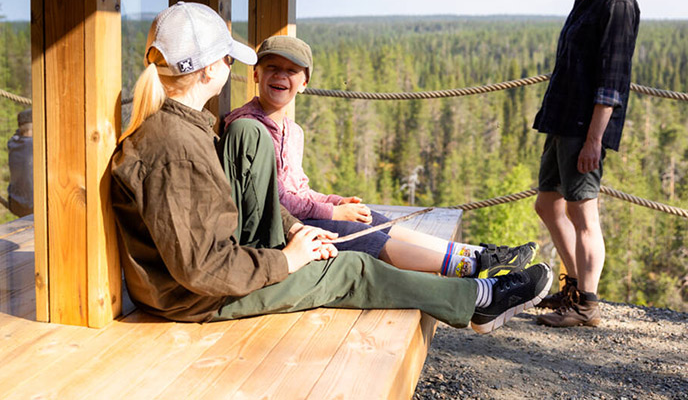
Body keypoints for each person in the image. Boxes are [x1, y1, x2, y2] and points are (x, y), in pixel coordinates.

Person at [110, 1, 553, 334]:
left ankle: (475, 277)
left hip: (211, 277)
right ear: (207, 70)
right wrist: (287, 261)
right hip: (194, 297)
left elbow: (252, 200)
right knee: (351, 269)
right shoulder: (174, 149)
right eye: (227, 58)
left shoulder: (186, 129)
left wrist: (295, 232)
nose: (230, 66)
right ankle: (476, 299)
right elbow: (201, 269)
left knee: (345, 245)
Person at [223, 35, 538, 279]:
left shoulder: (293, 130)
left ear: (304, 83)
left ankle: (475, 253)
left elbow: (299, 190)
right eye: (272, 68)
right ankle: (471, 267)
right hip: (278, 230)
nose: (281, 76)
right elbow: (273, 201)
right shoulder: (248, 128)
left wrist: (336, 202)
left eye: (291, 71)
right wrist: (333, 215)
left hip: (298, 217)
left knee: (371, 219)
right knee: (359, 234)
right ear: (256, 74)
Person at [533, 0, 639, 327]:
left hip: (584, 126)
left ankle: (587, 304)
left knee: (583, 214)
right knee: (548, 204)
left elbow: (612, 81)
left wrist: (595, 139)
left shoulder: (617, 3)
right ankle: (574, 287)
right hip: (563, 120)